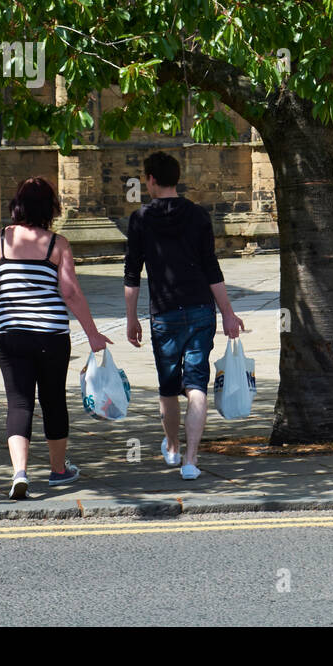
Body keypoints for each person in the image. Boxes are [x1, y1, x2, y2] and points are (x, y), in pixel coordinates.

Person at [0, 177, 112, 500]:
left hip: (11, 333)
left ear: (17, 205)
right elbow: (70, 292)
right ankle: (58, 470)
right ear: (51, 208)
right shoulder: (58, 244)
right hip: (51, 334)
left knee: (19, 402)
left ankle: (20, 473)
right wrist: (92, 334)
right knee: (53, 400)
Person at [125, 151, 245, 480]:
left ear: (151, 179)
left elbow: (132, 275)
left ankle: (173, 447)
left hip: (164, 313)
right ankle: (191, 461)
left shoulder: (141, 219)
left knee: (167, 388)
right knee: (196, 385)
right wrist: (229, 313)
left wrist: (131, 318)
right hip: (201, 310)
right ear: (176, 178)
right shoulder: (198, 216)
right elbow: (212, 268)